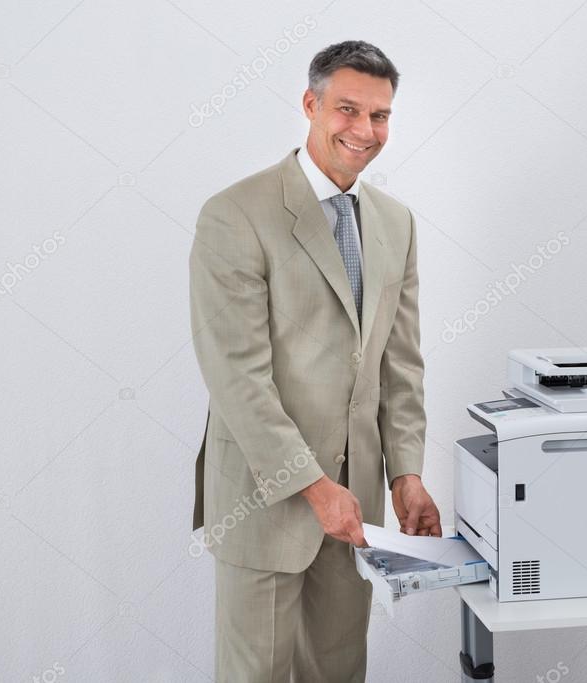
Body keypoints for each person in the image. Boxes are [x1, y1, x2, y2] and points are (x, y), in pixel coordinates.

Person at [188, 40, 441, 682]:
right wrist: (311, 486)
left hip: (355, 507)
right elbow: (237, 378)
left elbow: (400, 365)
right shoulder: (236, 215)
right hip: (265, 500)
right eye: (348, 109)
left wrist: (405, 474)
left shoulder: (397, 223)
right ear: (310, 104)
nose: (364, 131)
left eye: (380, 115)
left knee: (338, 673)